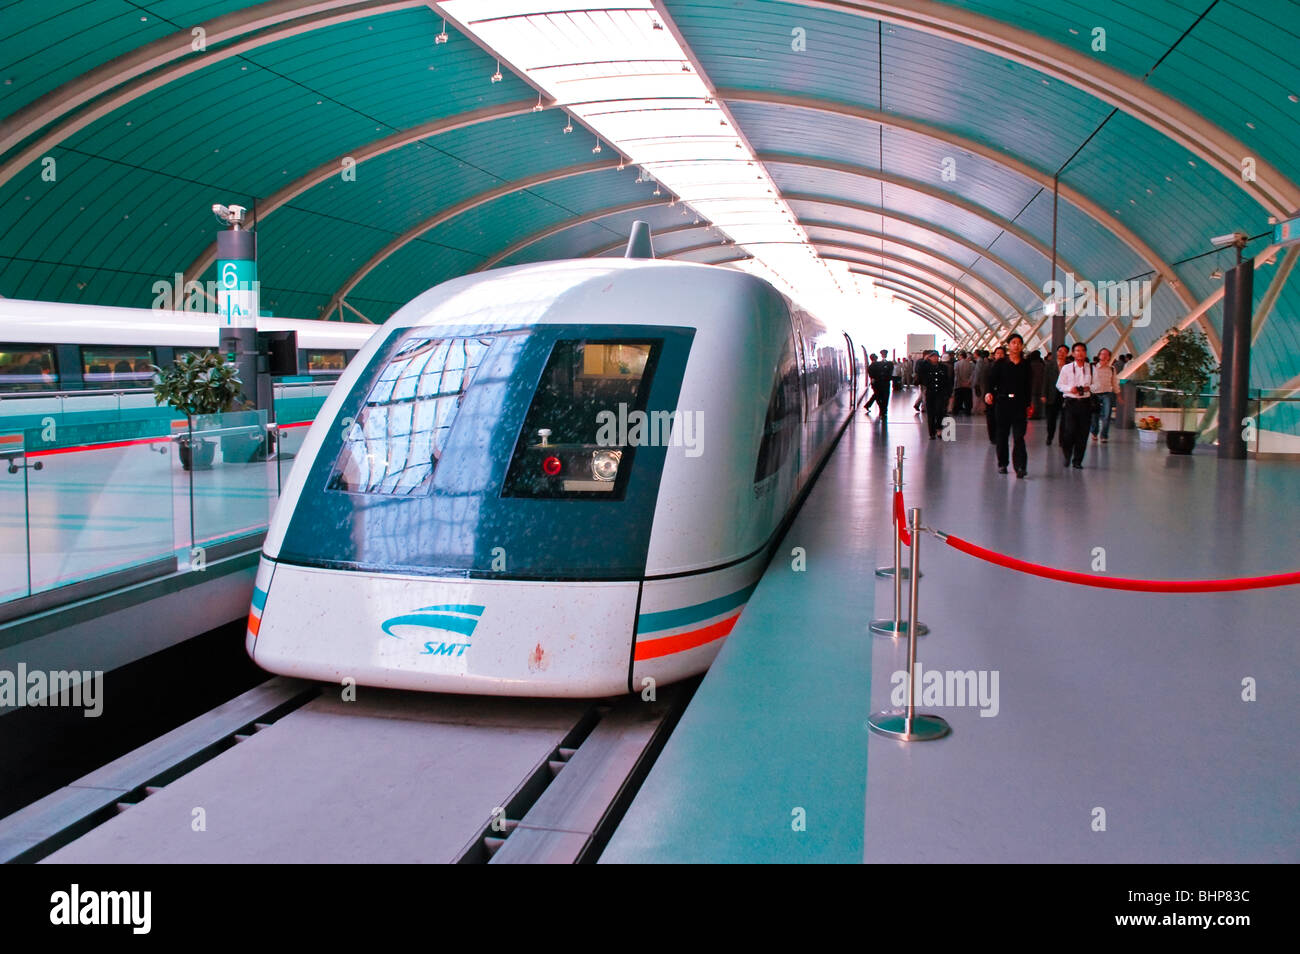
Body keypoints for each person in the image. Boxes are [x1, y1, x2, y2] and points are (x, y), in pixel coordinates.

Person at [987, 335, 1033, 477]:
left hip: (1019, 404)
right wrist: (988, 393)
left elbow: (1029, 386)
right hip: (1002, 403)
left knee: (1019, 436)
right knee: (1002, 435)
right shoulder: (1000, 364)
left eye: (1019, 343)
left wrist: (1028, 404)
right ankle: (1002, 463)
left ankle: (1020, 466)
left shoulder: (1026, 365)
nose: (1016, 345)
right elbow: (991, 381)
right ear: (1008, 345)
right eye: (1013, 343)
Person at [1056, 342, 1094, 469]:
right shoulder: (1066, 368)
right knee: (1069, 431)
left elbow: (1098, 385)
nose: (1080, 353)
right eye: (1077, 350)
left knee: (1083, 433)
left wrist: (1089, 387)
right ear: (1073, 353)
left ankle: (1078, 460)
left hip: (1085, 403)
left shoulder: (1091, 368)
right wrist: (1069, 389)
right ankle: (1067, 454)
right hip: (1071, 403)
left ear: (1086, 353)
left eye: (1083, 350)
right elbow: (1059, 385)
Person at [918, 351, 952, 440]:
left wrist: (948, 392)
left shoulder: (943, 367)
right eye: (933, 357)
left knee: (940, 411)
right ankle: (932, 433)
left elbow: (947, 380)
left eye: (936, 356)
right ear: (929, 358)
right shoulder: (926, 367)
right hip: (930, 392)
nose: (935, 358)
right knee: (931, 413)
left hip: (940, 392)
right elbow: (919, 370)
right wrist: (925, 360)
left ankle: (939, 428)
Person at [1090, 347, 1121, 442]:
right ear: (1099, 355)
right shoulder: (1092, 367)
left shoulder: (1111, 369)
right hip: (1094, 394)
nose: (1104, 355)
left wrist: (1118, 395)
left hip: (1107, 394)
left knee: (1107, 415)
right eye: (1102, 353)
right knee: (1094, 415)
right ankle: (1094, 432)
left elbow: (1114, 382)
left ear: (1109, 357)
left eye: (1106, 354)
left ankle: (1104, 436)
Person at [1042, 344, 1068, 446]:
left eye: (1064, 351)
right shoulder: (1049, 365)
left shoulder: (1069, 366)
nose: (1061, 353)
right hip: (1052, 395)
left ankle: (1062, 439)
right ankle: (1050, 436)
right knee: (1051, 419)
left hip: (1065, 395)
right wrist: (1043, 394)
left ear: (1067, 353)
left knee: (1065, 419)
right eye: (1059, 351)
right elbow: (1045, 381)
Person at [979, 346, 1004, 444]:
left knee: (1001, 417)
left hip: (1002, 395)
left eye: (1002, 353)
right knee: (991, 416)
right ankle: (993, 436)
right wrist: (986, 393)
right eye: (998, 353)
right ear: (994, 355)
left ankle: (999, 435)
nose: (1000, 355)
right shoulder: (989, 366)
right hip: (991, 394)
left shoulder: (1008, 366)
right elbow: (986, 381)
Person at [867, 350, 893, 420]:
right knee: (880, 397)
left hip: (882, 383)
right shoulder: (879, 364)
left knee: (881, 397)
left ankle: (883, 410)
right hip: (880, 384)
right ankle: (883, 410)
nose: (884, 355)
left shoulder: (887, 363)